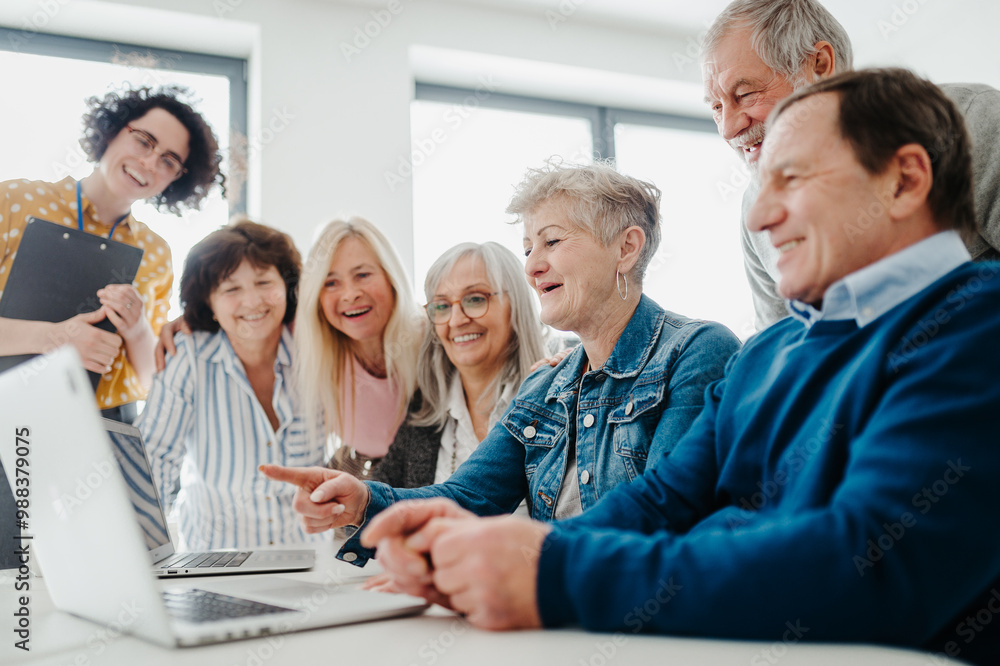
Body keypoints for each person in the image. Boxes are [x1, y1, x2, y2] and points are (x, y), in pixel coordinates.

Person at [357, 69, 1000, 665]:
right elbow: (665, 500)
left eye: (792, 180)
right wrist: (516, 552)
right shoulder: (766, 356)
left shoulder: (977, 322)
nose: (757, 215)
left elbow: (870, 565)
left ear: (905, 180)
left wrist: (551, 574)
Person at [262, 160, 742, 566]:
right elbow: (468, 496)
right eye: (529, 248)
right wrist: (364, 499)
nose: (532, 266)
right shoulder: (547, 386)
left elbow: (669, 506)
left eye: (552, 242)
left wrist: (522, 551)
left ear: (626, 247)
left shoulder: (697, 350)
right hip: (559, 614)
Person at [701, 0, 1000, 330]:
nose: (729, 129)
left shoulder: (968, 122)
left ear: (820, 65)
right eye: (716, 107)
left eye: (745, 94)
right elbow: (779, 345)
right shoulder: (754, 211)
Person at [0, 85, 224, 423]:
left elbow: (152, 381)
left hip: (107, 427)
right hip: (11, 414)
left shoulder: (156, 252)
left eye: (169, 161)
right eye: (144, 141)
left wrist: (136, 331)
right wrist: (54, 338)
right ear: (113, 130)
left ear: (175, 180)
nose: (149, 163)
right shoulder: (16, 201)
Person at [135, 218, 327, 550]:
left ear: (287, 286)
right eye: (231, 288)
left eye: (264, 281)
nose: (253, 302)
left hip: (310, 561)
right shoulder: (188, 358)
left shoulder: (317, 350)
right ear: (209, 302)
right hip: (216, 566)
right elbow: (154, 462)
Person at [372, 241, 548, 496]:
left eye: (475, 299)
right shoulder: (424, 411)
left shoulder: (557, 397)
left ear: (516, 306)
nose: (456, 320)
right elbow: (376, 505)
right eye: (442, 306)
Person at [295, 217, 424, 479]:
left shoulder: (431, 337)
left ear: (391, 277)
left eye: (362, 275)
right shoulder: (313, 345)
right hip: (359, 478)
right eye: (331, 283)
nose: (350, 294)